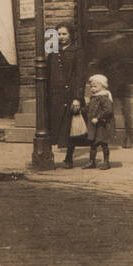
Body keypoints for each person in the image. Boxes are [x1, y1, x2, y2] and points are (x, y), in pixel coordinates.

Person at [49, 23, 89, 168]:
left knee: (71, 127)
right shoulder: (53, 51)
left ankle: (69, 157)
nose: (61, 37)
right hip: (56, 95)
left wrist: (78, 97)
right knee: (56, 126)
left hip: (70, 94)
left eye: (64, 34)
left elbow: (80, 75)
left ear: (71, 35)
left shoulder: (77, 51)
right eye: (59, 34)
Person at [85, 74, 116, 170]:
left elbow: (108, 110)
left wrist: (98, 118)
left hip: (102, 125)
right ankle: (92, 162)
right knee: (93, 144)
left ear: (103, 86)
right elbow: (88, 108)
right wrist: (81, 110)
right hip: (94, 126)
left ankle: (106, 162)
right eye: (91, 87)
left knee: (103, 143)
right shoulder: (94, 98)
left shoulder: (104, 98)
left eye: (95, 86)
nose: (92, 89)